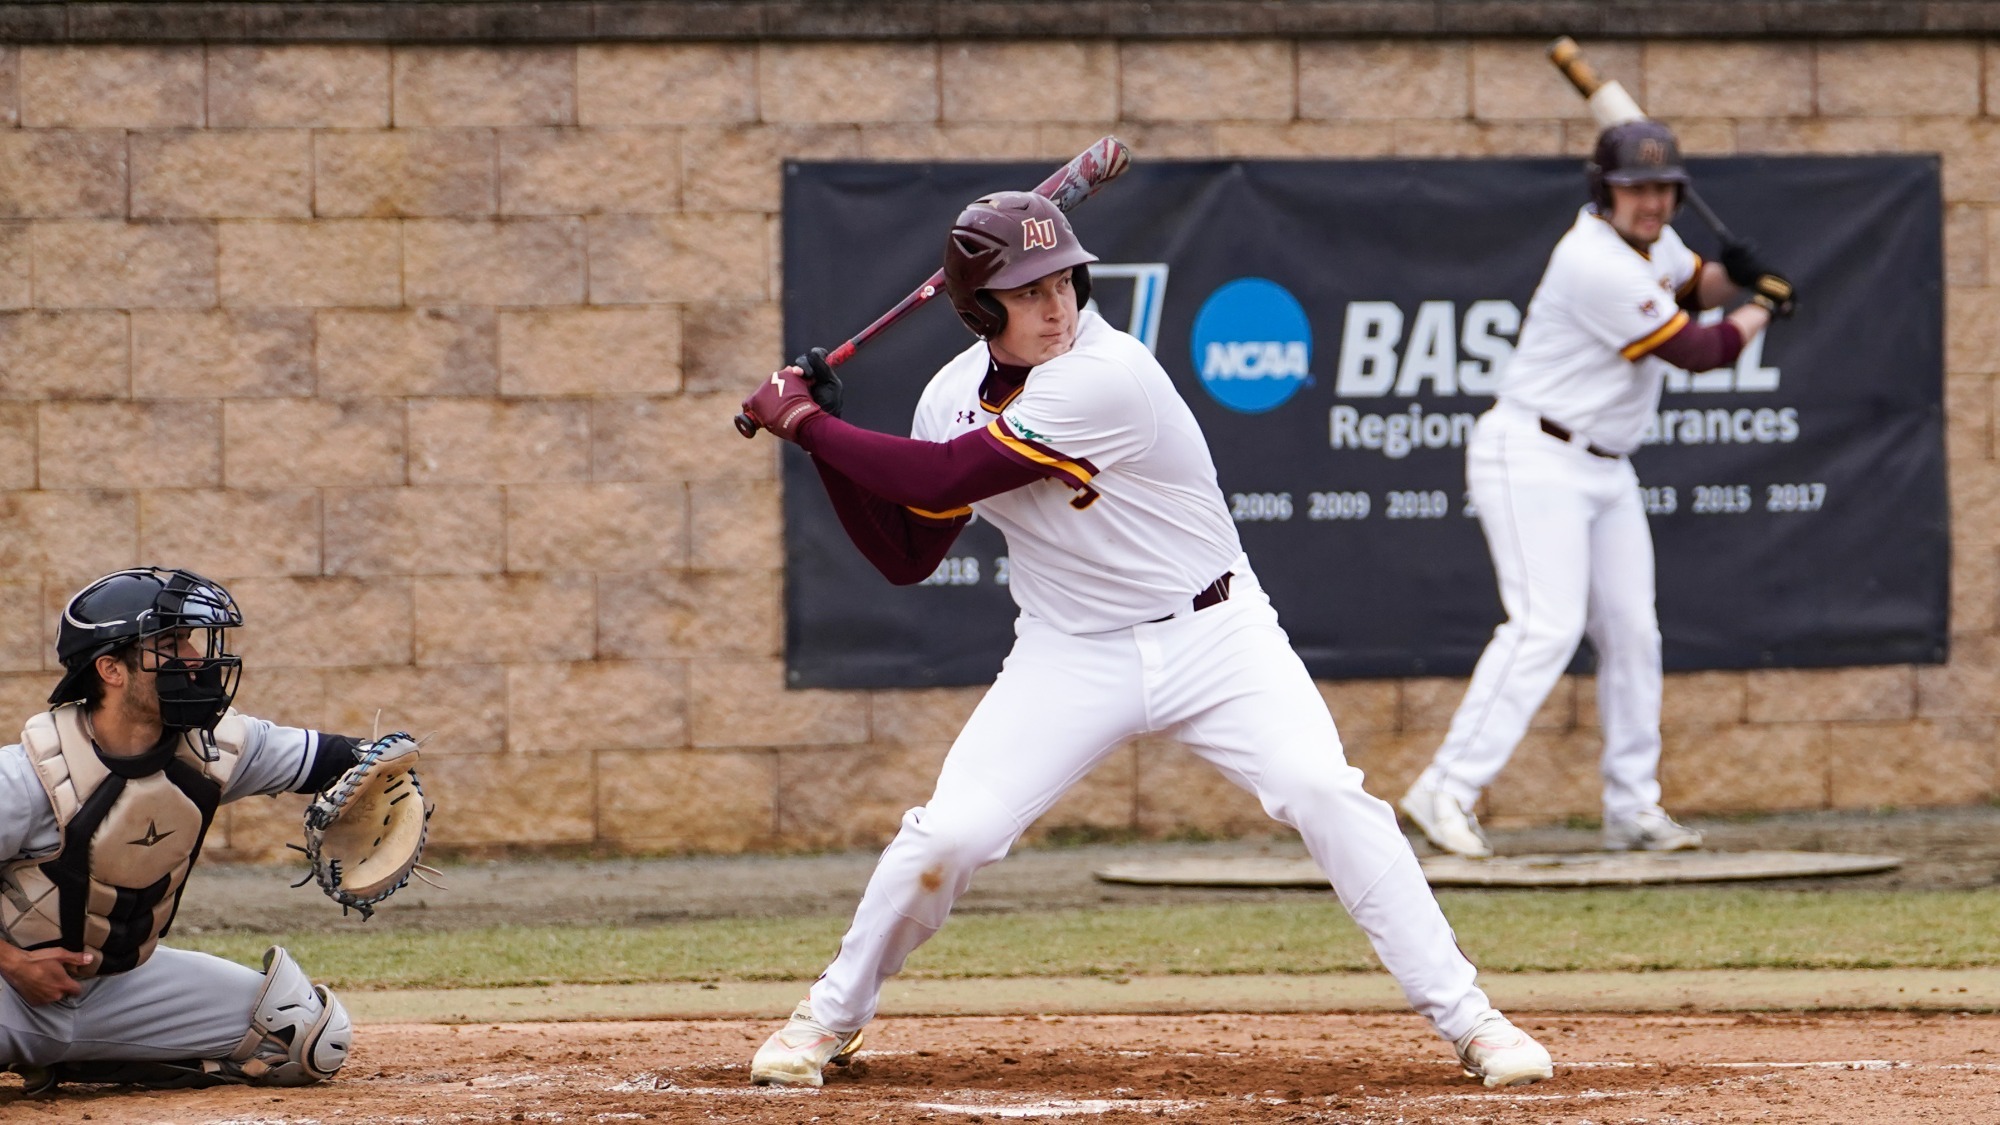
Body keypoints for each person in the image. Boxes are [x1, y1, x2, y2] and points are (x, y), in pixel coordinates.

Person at [735, 190, 1553, 1090]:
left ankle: (1473, 1020)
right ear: (978, 308)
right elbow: (907, 549)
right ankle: (829, 1018)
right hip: (1069, 649)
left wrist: (808, 422)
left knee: (1324, 790)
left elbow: (948, 472)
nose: (1057, 306)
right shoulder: (946, 397)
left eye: (1063, 281)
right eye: (1027, 290)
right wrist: (822, 445)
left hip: (1217, 633)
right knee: (947, 839)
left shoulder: (1108, 372)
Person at [1399, 120, 1795, 859]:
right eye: (1634, 189)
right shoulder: (1591, 261)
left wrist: (1730, 274)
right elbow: (1697, 348)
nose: (1649, 203)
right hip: (1534, 452)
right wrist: (1761, 304)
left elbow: (1688, 283)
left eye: (1661, 189)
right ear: (1603, 192)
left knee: (1633, 631)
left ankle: (1631, 806)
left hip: (1606, 464)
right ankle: (1445, 787)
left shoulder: (1653, 242)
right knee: (1544, 626)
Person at [0, 567, 417, 1094]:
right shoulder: (26, 777)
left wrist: (390, 768)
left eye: (193, 639)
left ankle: (81, 1061)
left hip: (122, 987)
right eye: (171, 643)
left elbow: (344, 759)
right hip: (11, 990)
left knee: (309, 1035)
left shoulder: (216, 747)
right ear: (111, 669)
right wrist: (13, 962)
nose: (196, 657)